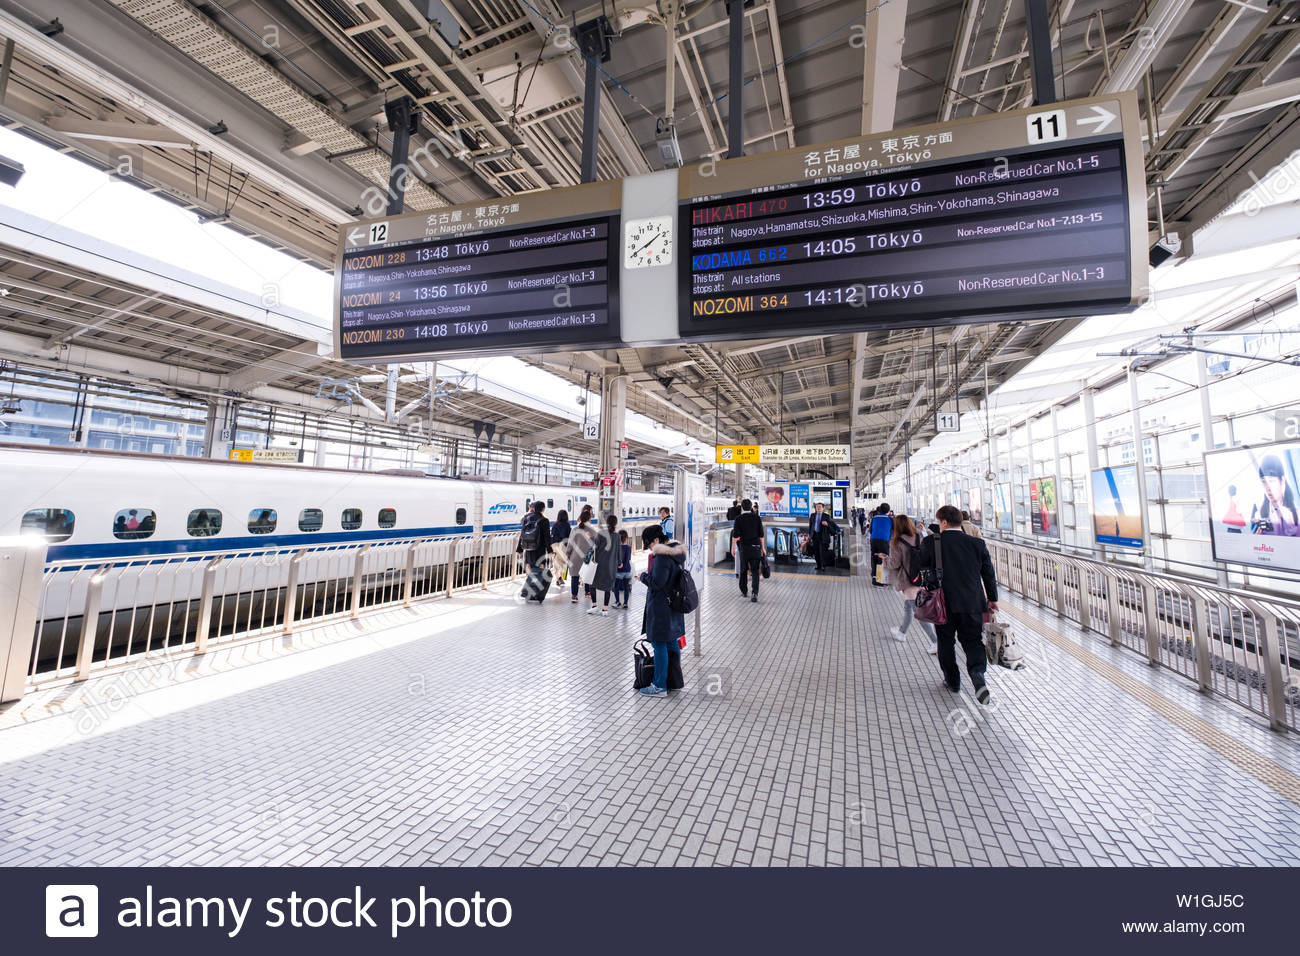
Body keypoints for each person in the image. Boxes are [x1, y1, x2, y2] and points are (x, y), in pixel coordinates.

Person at [917, 505, 999, 704]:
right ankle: (977, 674)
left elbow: (920, 568)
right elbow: (988, 573)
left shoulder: (931, 542)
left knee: (946, 641)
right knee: (972, 641)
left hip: (943, 603)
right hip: (973, 602)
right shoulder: (977, 544)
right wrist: (992, 598)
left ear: (943, 522)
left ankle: (952, 681)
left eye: (939, 522)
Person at [637, 524, 686, 697]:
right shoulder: (676, 554)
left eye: (650, 544)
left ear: (656, 540)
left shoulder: (662, 558)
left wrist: (642, 577)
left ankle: (659, 686)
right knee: (671, 643)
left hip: (661, 608)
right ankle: (673, 680)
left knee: (658, 644)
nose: (651, 548)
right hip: (672, 606)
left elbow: (657, 583)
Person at [886, 515, 937, 653]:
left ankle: (935, 641)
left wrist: (885, 559)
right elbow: (932, 540)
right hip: (922, 576)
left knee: (917, 610)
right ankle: (902, 633)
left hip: (908, 579)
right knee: (909, 605)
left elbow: (894, 563)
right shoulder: (919, 535)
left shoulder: (896, 542)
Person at [515, 500, 553, 603]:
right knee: (539, 572)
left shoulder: (526, 518)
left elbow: (522, 535)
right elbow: (547, 537)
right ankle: (534, 594)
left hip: (528, 550)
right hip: (539, 550)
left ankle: (528, 592)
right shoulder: (544, 520)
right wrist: (550, 550)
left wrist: (519, 549)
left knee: (530, 571)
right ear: (543, 509)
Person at [1254, 454, 1300, 536]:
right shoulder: (1260, 514)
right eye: (1264, 482)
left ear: (1282, 481)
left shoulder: (1297, 514)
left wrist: (1291, 524)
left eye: (1271, 481)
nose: (1267, 488)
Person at [731, 498, 766, 602]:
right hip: (756, 548)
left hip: (744, 548)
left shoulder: (738, 519)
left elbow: (735, 535)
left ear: (742, 507)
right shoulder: (757, 518)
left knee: (743, 570)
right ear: (751, 507)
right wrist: (763, 548)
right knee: (755, 571)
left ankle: (744, 590)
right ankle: (754, 593)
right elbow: (761, 535)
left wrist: (733, 547)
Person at [587, 514, 619, 616]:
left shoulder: (601, 534)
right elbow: (619, 551)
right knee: (608, 586)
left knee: (592, 583)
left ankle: (594, 606)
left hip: (599, 564)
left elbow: (594, 546)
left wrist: (589, 538)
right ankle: (605, 610)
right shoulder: (617, 536)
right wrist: (620, 562)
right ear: (616, 524)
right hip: (611, 565)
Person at [568, 505, 596, 603]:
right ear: (589, 519)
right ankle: (587, 592)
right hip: (587, 557)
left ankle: (574, 596)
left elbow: (570, 544)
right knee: (587, 576)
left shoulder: (575, 529)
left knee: (574, 577)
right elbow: (595, 545)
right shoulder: (592, 530)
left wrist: (568, 553)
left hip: (575, 557)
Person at [807, 501, 838, 572]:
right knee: (816, 552)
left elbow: (832, 527)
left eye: (820, 507)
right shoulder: (812, 515)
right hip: (814, 536)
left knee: (822, 552)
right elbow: (810, 526)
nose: (818, 508)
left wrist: (827, 524)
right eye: (817, 507)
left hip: (823, 536)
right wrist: (809, 535)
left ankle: (823, 565)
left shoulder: (827, 516)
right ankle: (818, 565)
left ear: (823, 508)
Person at [869, 503, 893, 586]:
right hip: (884, 541)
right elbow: (894, 531)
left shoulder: (874, 518)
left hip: (873, 540)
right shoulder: (890, 519)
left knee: (874, 558)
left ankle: (874, 578)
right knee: (882, 559)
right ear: (888, 511)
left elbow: (871, 529)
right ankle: (879, 580)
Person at [551, 509, 572, 583]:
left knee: (557, 561)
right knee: (564, 562)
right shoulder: (567, 525)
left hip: (555, 545)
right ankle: (562, 578)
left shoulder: (555, 524)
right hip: (563, 545)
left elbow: (552, 534)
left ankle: (558, 578)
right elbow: (568, 536)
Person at [613, 529, 632, 609]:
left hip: (619, 571)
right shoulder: (628, 547)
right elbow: (628, 558)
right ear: (626, 538)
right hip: (627, 570)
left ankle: (617, 602)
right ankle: (625, 603)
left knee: (616, 587)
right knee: (626, 587)